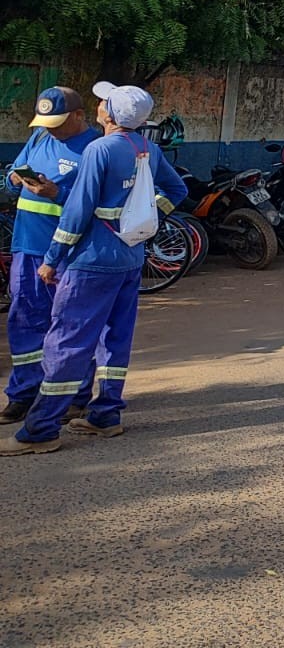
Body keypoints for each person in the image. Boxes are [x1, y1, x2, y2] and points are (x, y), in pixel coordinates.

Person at [4, 83, 186, 456]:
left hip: (91, 261)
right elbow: (177, 190)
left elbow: (77, 211)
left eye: (105, 102)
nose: (99, 105)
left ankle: (41, 430)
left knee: (66, 341)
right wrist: (144, 221)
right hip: (130, 258)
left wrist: (53, 259)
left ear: (111, 115)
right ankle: (105, 415)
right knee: (114, 338)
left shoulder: (100, 149)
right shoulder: (147, 149)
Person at [3, 87, 100, 426]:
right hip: (27, 246)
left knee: (70, 326)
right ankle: (23, 394)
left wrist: (58, 193)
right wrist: (15, 177)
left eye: (57, 123)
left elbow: (97, 202)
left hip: (69, 252)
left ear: (78, 115)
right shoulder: (41, 137)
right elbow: (13, 173)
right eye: (46, 123)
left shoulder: (94, 148)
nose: (51, 129)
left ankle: (73, 396)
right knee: (25, 320)